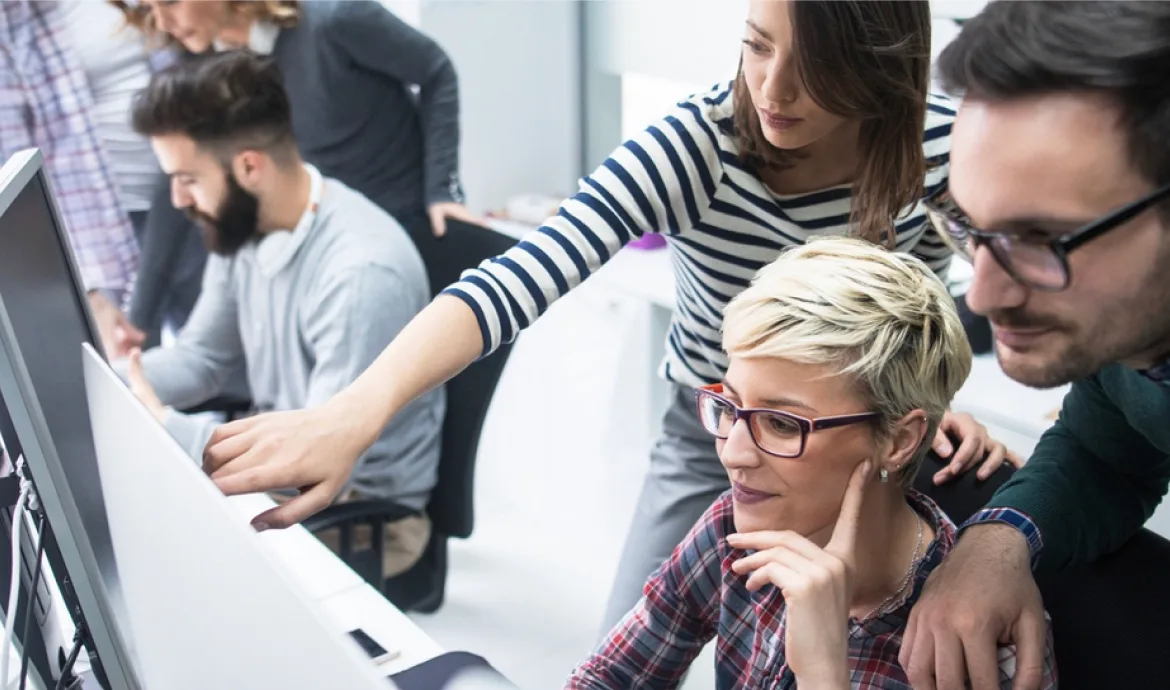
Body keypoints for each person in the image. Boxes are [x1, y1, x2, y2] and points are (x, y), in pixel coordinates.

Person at [201, 0, 1017, 632]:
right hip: (713, 437)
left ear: (876, 63)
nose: (772, 89)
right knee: (629, 643)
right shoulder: (698, 145)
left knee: (843, 649)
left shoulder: (941, 146)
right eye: (757, 44)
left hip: (866, 447)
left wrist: (937, 408)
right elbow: (518, 277)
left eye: (813, 65)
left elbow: (956, 301)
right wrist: (355, 411)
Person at [567, 238, 1057, 689]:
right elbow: (610, 677)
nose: (733, 454)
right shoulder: (733, 531)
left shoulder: (978, 638)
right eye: (730, 408)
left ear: (898, 441)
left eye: (781, 424)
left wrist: (824, 672)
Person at [894, 2, 1170, 689]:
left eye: (1042, 239)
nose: (982, 297)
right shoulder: (1131, 342)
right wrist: (1000, 537)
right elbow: (1108, 450)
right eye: (971, 226)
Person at [120, 51, 444, 577]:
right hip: (288, 465)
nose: (177, 199)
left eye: (187, 179)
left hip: (359, 517)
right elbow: (202, 358)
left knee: (155, 567)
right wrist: (103, 379)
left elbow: (313, 463)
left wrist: (165, 426)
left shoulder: (360, 271)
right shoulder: (245, 225)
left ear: (249, 166)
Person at [112, 0, 474, 243]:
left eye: (170, 1)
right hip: (331, 233)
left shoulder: (334, 17)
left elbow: (435, 71)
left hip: (410, 221)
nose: (161, 22)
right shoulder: (205, 63)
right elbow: (176, 175)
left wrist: (443, 188)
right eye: (150, 6)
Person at [57, 0, 207, 352]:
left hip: (189, 179)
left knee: (211, 337)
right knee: (138, 343)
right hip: (107, 217)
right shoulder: (23, 17)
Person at [0, 0, 140, 355]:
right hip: (106, 226)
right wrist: (88, 283)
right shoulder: (18, 16)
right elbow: (18, 171)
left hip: (191, 190)